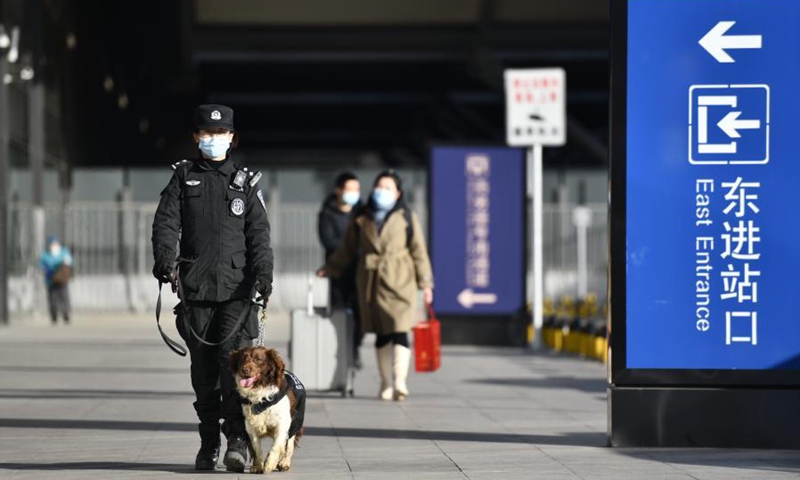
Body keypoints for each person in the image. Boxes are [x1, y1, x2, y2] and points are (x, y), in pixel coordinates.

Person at [151, 104, 273, 472]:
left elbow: (259, 236)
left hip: (238, 293)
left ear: (232, 138)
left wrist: (265, 274)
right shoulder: (182, 177)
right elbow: (165, 224)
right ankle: (208, 443)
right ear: (196, 137)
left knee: (234, 369)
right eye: (207, 134)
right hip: (196, 291)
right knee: (203, 373)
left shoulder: (245, 183)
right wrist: (164, 260)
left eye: (220, 134)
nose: (213, 139)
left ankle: (237, 441)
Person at [318, 170, 433, 401]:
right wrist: (330, 268)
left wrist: (426, 283)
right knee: (382, 332)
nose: (381, 192)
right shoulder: (362, 217)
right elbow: (346, 249)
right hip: (371, 281)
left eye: (388, 188)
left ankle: (400, 381)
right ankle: (386, 382)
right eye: (379, 187)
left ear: (398, 193)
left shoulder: (407, 216)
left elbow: (418, 250)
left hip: (401, 278)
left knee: (400, 328)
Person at [317, 171, 365, 368]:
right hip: (337, 272)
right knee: (338, 313)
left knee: (361, 316)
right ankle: (342, 350)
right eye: (349, 189)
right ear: (338, 190)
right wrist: (347, 252)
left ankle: (354, 348)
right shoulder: (327, 213)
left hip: (360, 272)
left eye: (357, 189)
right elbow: (329, 242)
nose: (354, 193)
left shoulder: (363, 214)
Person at [39, 236, 73, 325]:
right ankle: (54, 316)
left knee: (64, 297)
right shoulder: (45, 255)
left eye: (55, 244)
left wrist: (66, 261)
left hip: (62, 279)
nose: (54, 246)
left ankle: (66, 314)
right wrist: (48, 268)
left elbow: (70, 261)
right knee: (52, 299)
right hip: (51, 280)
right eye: (52, 244)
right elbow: (42, 265)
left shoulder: (64, 252)